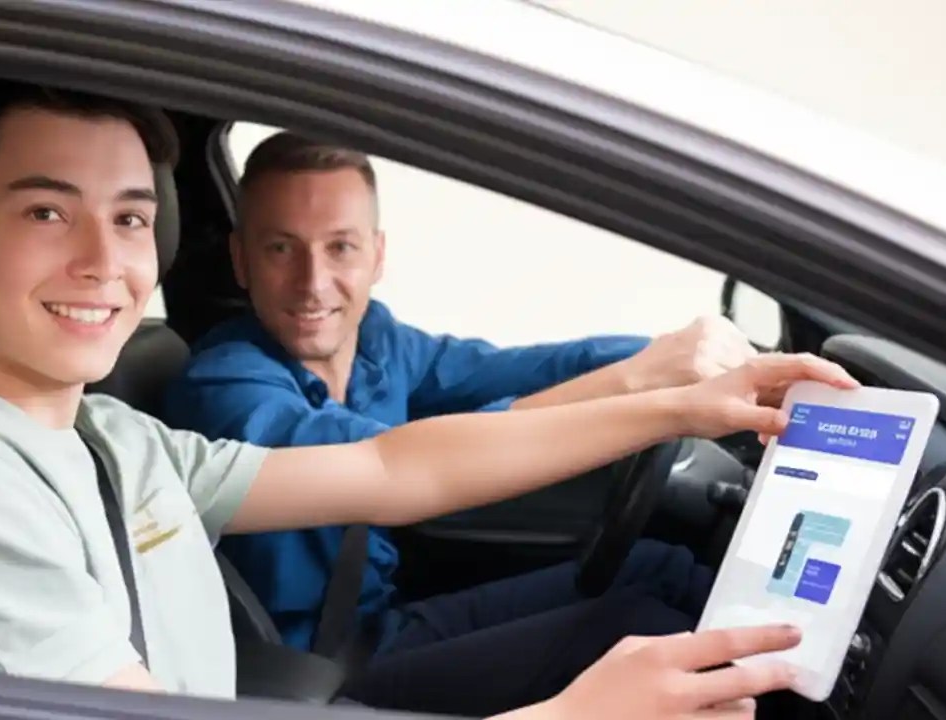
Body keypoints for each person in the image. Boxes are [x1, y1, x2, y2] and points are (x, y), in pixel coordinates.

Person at [0, 82, 856, 720]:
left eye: (129, 220)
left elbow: (394, 468)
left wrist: (683, 404)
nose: (103, 262)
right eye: (47, 212)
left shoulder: (105, 432)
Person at [160, 133, 759, 708]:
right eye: (281, 249)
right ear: (241, 260)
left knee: (662, 569)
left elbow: (519, 369)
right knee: (644, 625)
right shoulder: (225, 387)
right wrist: (637, 385)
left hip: (385, 618)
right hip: (315, 675)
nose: (313, 284)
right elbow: (401, 462)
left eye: (340, 247)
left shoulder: (376, 342)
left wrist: (672, 353)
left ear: (377, 255)